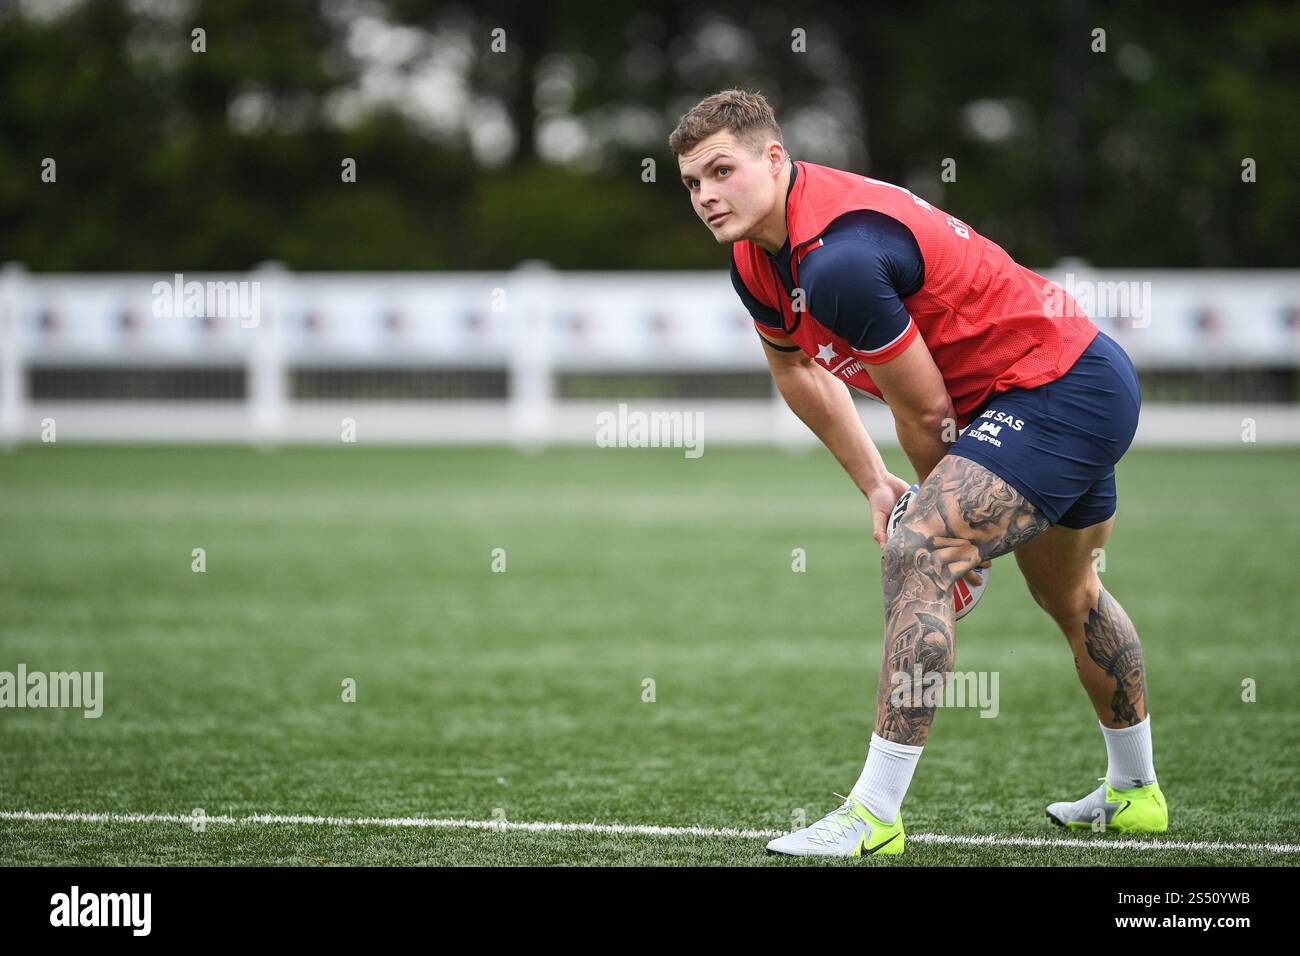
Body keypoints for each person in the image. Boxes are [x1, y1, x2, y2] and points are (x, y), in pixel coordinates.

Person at [669, 89, 1166, 857]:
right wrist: (875, 482)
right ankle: (1137, 794)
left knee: (919, 551)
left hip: (1063, 386)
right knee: (1070, 593)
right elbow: (798, 370)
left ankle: (874, 815)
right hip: (1059, 386)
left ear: (775, 159)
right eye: (691, 183)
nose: (705, 196)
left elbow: (929, 411)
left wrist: (943, 537)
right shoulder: (753, 259)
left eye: (720, 172)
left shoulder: (838, 258)